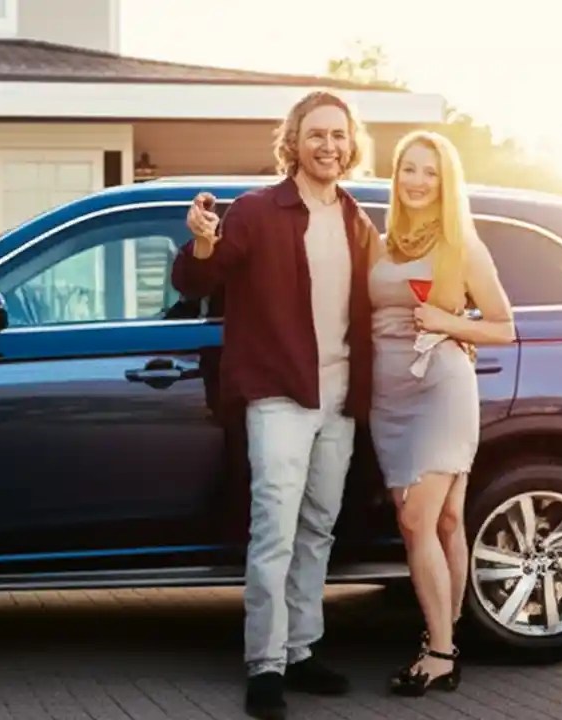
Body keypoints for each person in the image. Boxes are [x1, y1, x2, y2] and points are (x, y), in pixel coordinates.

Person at [171, 90, 381, 720]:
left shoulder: (356, 220)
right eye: (317, 134)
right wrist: (203, 241)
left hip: (340, 399)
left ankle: (301, 650)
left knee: (318, 529)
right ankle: (264, 665)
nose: (330, 146)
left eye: (340, 136)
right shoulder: (257, 211)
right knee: (275, 534)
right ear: (294, 141)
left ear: (352, 143)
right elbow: (195, 282)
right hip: (280, 396)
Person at [368, 129, 514, 696]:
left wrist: (450, 323)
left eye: (431, 172)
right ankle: (446, 629)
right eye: (410, 169)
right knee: (445, 521)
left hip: (442, 389)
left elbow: (503, 326)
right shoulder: (378, 246)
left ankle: (439, 653)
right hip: (389, 397)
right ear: (396, 176)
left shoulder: (463, 247)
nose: (419, 181)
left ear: (446, 182)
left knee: (415, 521)